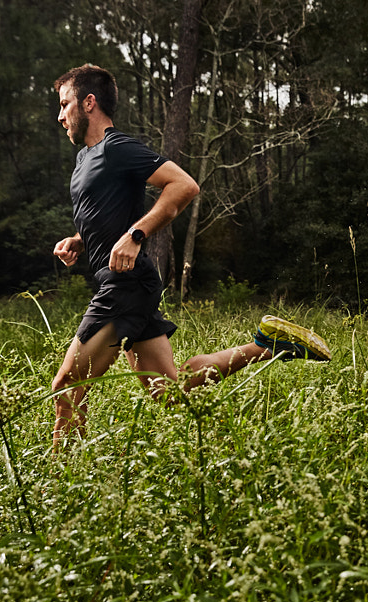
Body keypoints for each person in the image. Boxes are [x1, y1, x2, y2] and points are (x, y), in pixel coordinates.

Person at [49, 64, 330, 450]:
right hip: (126, 281)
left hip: (124, 284)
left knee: (67, 386)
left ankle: (64, 485)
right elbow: (107, 214)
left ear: (89, 103)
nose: (60, 115)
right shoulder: (84, 159)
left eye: (65, 105)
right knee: (171, 389)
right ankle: (269, 345)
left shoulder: (117, 148)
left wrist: (136, 235)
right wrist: (80, 240)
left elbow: (184, 185)